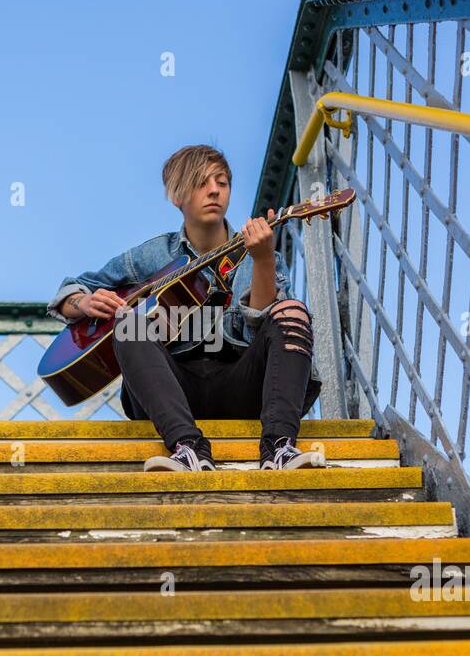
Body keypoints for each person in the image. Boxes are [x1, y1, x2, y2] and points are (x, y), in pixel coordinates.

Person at [46, 145, 323, 471]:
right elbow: (70, 291)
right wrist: (84, 301)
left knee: (290, 310)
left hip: (241, 386)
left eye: (222, 182)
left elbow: (265, 327)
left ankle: (279, 448)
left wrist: (262, 259)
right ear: (177, 196)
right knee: (128, 324)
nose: (214, 190)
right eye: (201, 182)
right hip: (172, 392)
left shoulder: (260, 253)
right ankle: (188, 449)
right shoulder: (152, 256)